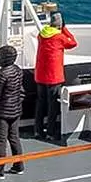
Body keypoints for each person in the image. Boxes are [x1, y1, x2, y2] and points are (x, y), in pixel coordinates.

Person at [34, 13, 78, 141]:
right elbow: (73, 43)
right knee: (53, 104)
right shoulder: (59, 37)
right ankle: (50, 132)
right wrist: (64, 28)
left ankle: (38, 130)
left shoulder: (42, 34)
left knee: (41, 102)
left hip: (40, 74)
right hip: (53, 75)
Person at [0, 45, 27, 179]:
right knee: (14, 138)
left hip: (2, 112)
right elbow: (21, 91)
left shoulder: (1, 74)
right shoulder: (18, 71)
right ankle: (19, 165)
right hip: (15, 110)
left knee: (1, 141)